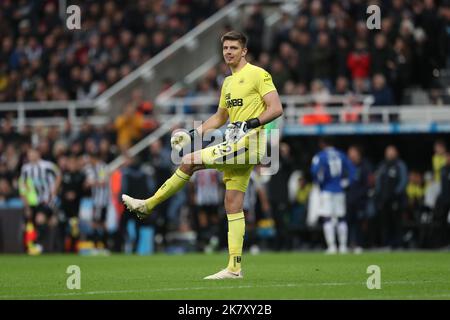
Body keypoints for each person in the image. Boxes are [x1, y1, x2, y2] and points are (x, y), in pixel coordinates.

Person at [122, 30, 283, 279]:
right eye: (225, 48)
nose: (228, 52)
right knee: (232, 203)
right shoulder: (228, 83)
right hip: (238, 145)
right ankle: (234, 268)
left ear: (244, 51)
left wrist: (249, 123)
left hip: (248, 144)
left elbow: (276, 109)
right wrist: (192, 134)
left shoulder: (258, 74)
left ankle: (148, 204)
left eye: (233, 48)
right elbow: (220, 117)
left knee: (190, 161)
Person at [310, 137, 355, 254]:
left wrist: (320, 183)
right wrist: (347, 182)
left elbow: (314, 171)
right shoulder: (341, 155)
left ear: (322, 144)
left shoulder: (320, 156)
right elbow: (352, 170)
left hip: (327, 190)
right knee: (341, 218)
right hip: (339, 189)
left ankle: (332, 246)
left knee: (327, 218)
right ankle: (343, 246)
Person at [19, 148, 62, 254]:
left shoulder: (47, 165)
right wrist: (26, 203)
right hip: (33, 201)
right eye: (29, 154)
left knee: (40, 219)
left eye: (33, 153)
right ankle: (33, 246)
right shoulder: (25, 169)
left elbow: (59, 175)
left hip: (46, 200)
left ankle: (39, 245)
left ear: (38, 154)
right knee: (34, 224)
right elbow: (23, 185)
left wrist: (54, 191)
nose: (31, 156)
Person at [374, 145, 408, 249]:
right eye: (388, 152)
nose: (390, 154)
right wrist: (378, 194)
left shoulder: (400, 165)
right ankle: (386, 244)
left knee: (396, 222)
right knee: (385, 222)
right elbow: (378, 181)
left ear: (396, 153)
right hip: (384, 199)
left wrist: (396, 194)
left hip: (396, 199)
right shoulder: (382, 165)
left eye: (392, 152)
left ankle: (398, 244)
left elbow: (403, 181)